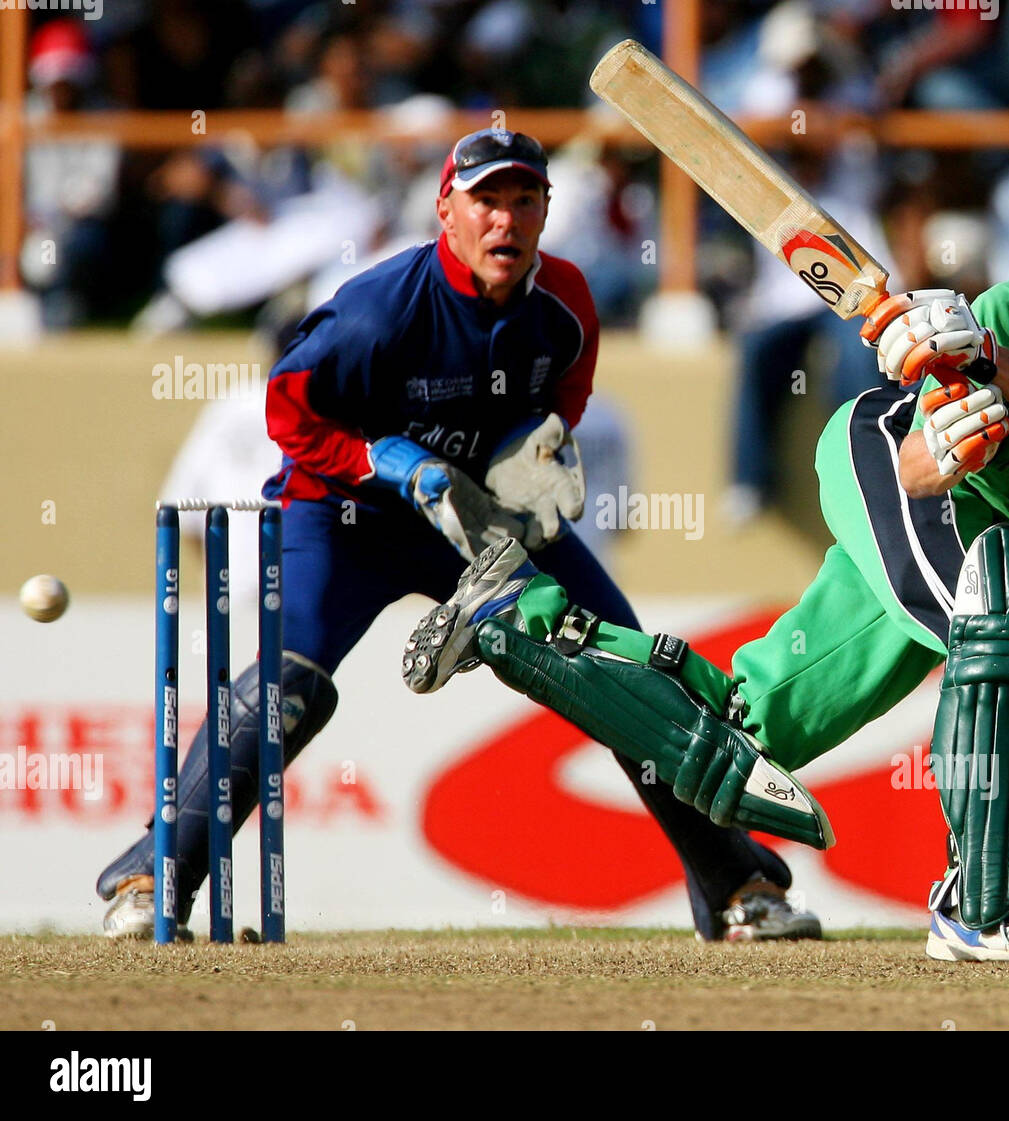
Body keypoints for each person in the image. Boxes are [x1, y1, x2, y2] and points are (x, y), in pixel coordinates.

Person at [403, 191, 1009, 961]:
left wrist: (988, 364)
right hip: (888, 466)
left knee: (738, 738)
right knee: (1008, 609)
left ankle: (519, 619)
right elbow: (923, 462)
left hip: (977, 533)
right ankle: (983, 908)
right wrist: (941, 393)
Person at [97, 128, 820, 943]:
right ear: (446, 209)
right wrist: (380, 457)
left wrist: (536, 441)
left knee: (633, 685)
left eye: (523, 200)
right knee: (286, 688)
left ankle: (739, 889)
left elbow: (565, 392)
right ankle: (153, 874)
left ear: (546, 211)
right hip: (347, 517)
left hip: (482, 522)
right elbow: (287, 409)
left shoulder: (568, 305)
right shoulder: (380, 308)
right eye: (485, 200)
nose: (504, 220)